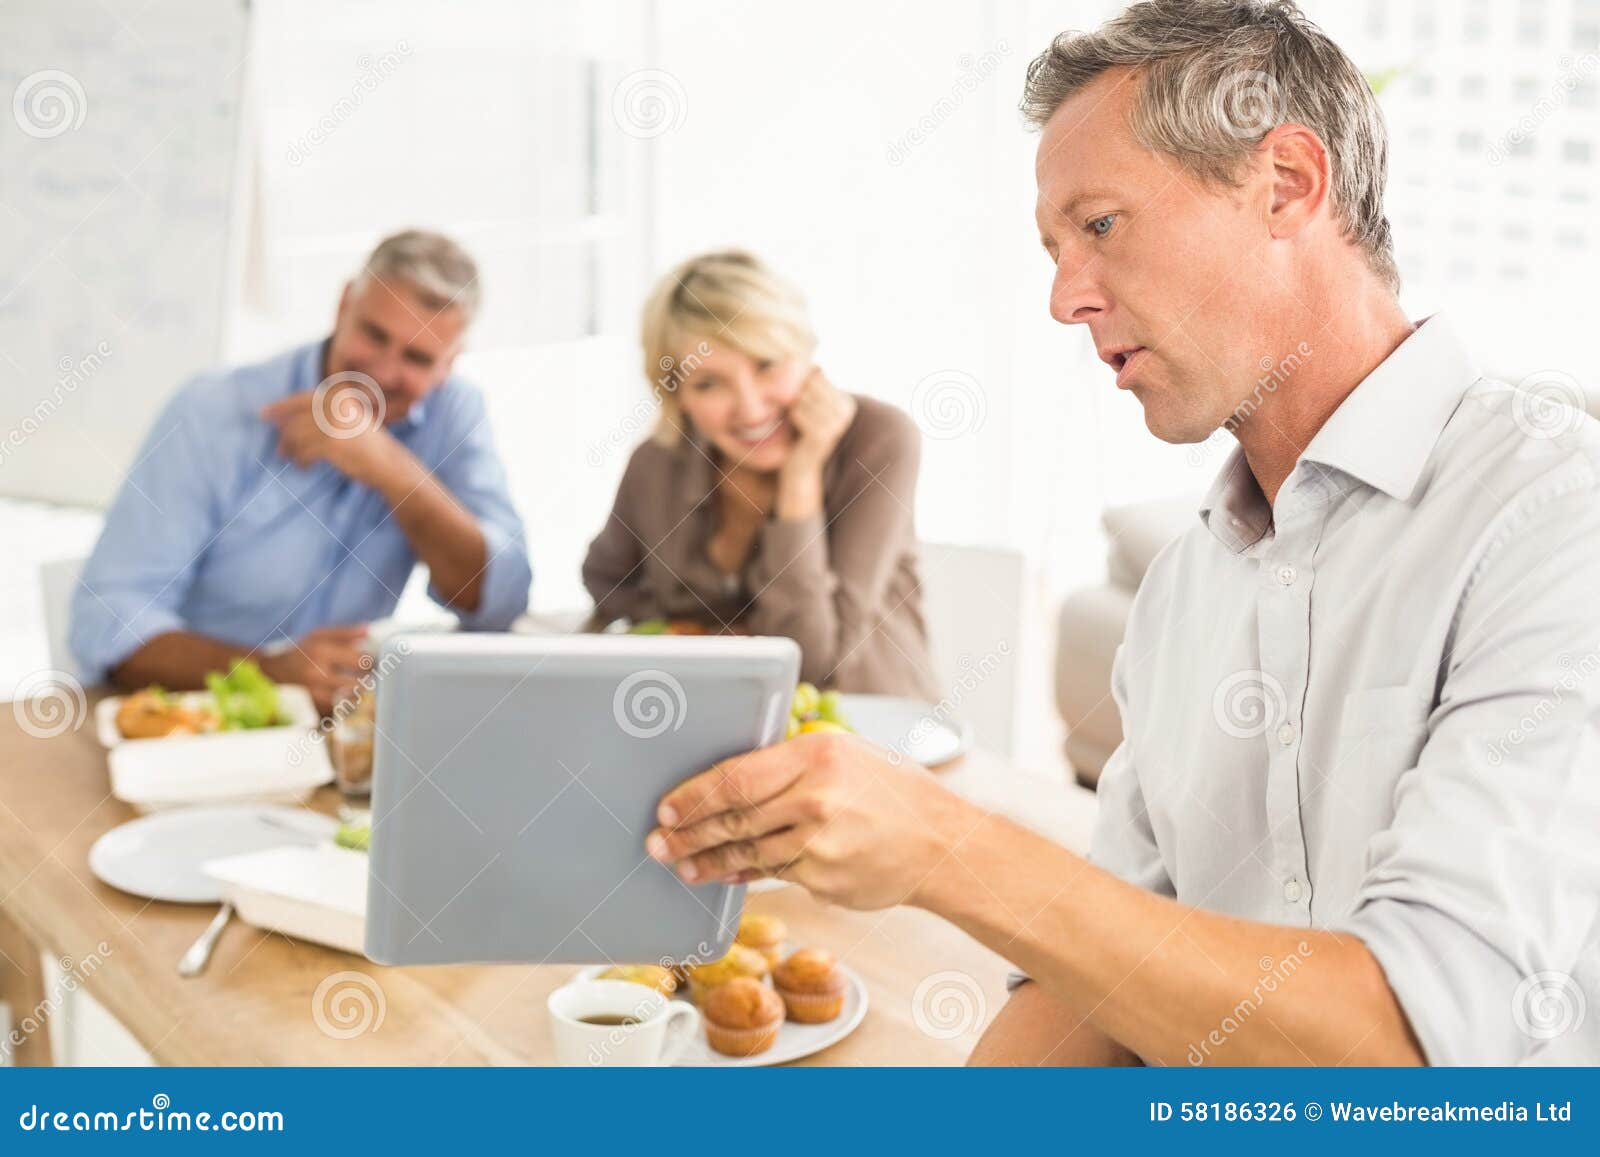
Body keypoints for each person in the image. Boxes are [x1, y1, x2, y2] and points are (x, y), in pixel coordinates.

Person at [642, 0, 1600, 1066]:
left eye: (1099, 226)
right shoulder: (1185, 589)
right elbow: (1095, 996)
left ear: (1287, 183)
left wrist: (945, 847)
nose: (1064, 299)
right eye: (1053, 250)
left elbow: (1420, 1046)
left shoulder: (1556, 515)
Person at [71, 230, 531, 712]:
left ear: (450, 363)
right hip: (189, 719)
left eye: (417, 358)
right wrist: (270, 673)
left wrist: (390, 467)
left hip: (336, 731)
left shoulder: (453, 413)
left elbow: (502, 601)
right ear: (344, 304)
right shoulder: (213, 410)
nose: (383, 372)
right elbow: (106, 622)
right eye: (374, 335)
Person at [583, 250, 939, 700]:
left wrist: (801, 477)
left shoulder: (880, 439)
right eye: (709, 384)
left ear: (806, 354)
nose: (750, 409)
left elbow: (815, 663)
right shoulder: (657, 462)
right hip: (717, 723)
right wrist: (690, 635)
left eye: (767, 364)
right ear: (677, 396)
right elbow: (606, 580)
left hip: (872, 724)